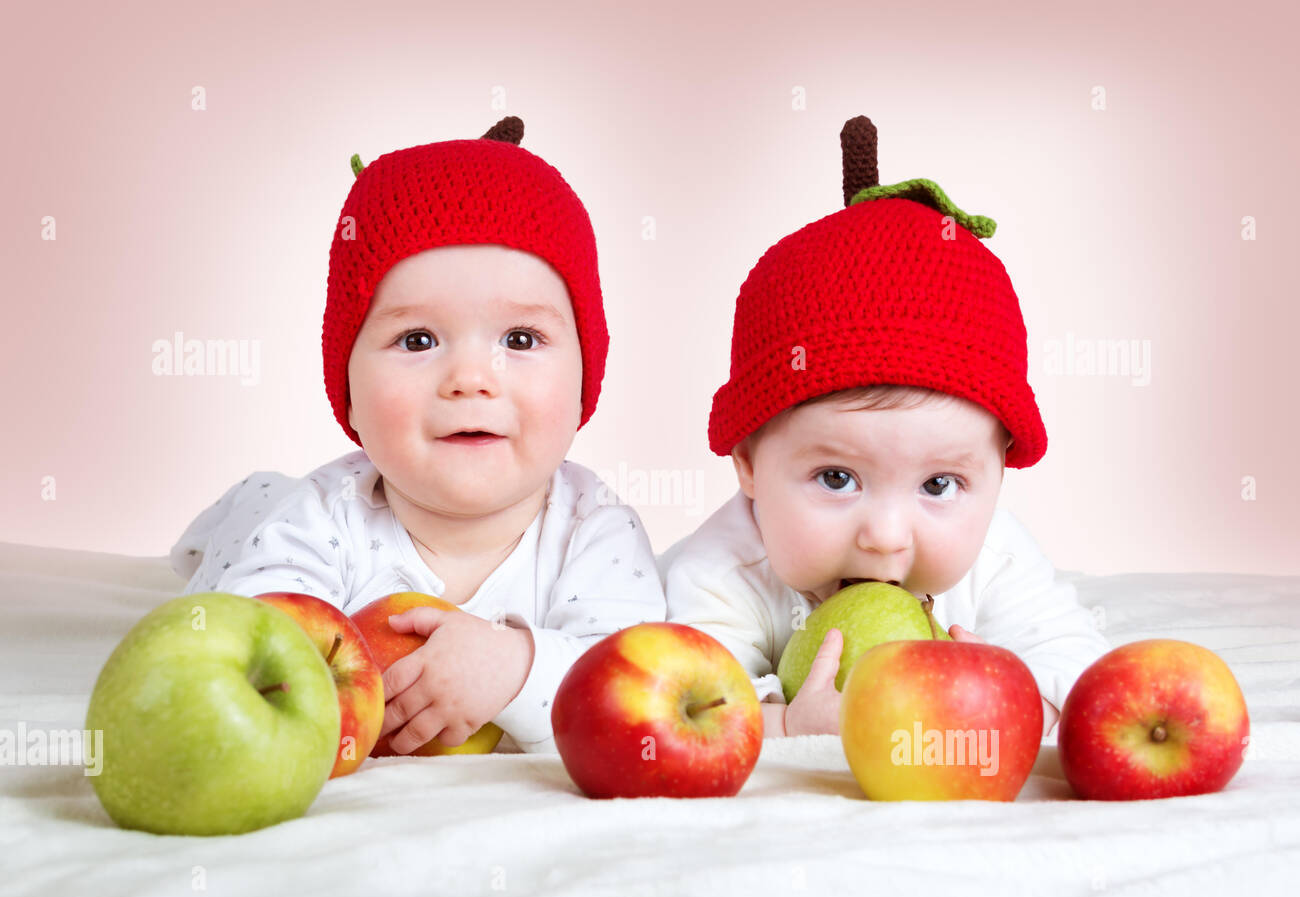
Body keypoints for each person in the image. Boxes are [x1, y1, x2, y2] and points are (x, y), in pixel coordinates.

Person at [171, 117, 666, 755]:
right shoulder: (320, 520)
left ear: (583, 378)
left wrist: (515, 668)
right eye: (417, 340)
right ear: (348, 385)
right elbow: (249, 639)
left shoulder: (596, 531)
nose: (468, 380)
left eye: (519, 340)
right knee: (256, 514)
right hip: (270, 515)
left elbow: (633, 681)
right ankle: (236, 512)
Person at [660, 115, 1109, 740]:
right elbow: (685, 700)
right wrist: (787, 723)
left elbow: (1079, 664)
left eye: (938, 486)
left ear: (999, 473)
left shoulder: (997, 557)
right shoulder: (719, 572)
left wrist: (1007, 701)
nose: (886, 536)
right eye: (837, 477)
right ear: (749, 463)